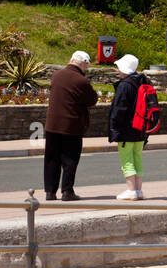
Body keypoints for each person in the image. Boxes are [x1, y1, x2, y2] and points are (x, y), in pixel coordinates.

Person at [43, 51, 98, 201]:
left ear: (71, 59)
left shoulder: (56, 75)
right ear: (84, 63)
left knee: (51, 159)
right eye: (87, 65)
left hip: (52, 125)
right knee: (70, 160)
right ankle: (67, 191)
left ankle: (50, 192)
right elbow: (92, 100)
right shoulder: (81, 81)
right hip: (71, 126)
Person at [107, 54, 148, 200]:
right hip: (141, 129)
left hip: (127, 130)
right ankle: (138, 190)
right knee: (137, 158)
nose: (118, 70)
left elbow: (118, 109)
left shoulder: (125, 85)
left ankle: (131, 190)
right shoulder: (143, 81)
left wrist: (114, 129)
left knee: (127, 160)